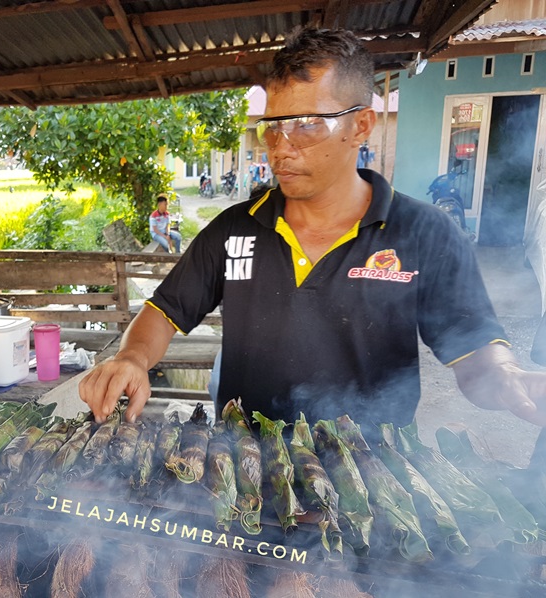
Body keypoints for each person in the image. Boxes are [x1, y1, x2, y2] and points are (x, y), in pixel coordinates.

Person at [79, 27, 546, 439]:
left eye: (307, 126)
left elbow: (472, 349)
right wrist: (134, 358)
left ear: (361, 124)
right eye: (272, 129)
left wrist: (507, 377)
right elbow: (164, 311)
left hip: (370, 481)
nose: (282, 149)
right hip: (246, 466)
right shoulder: (234, 228)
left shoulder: (424, 232)